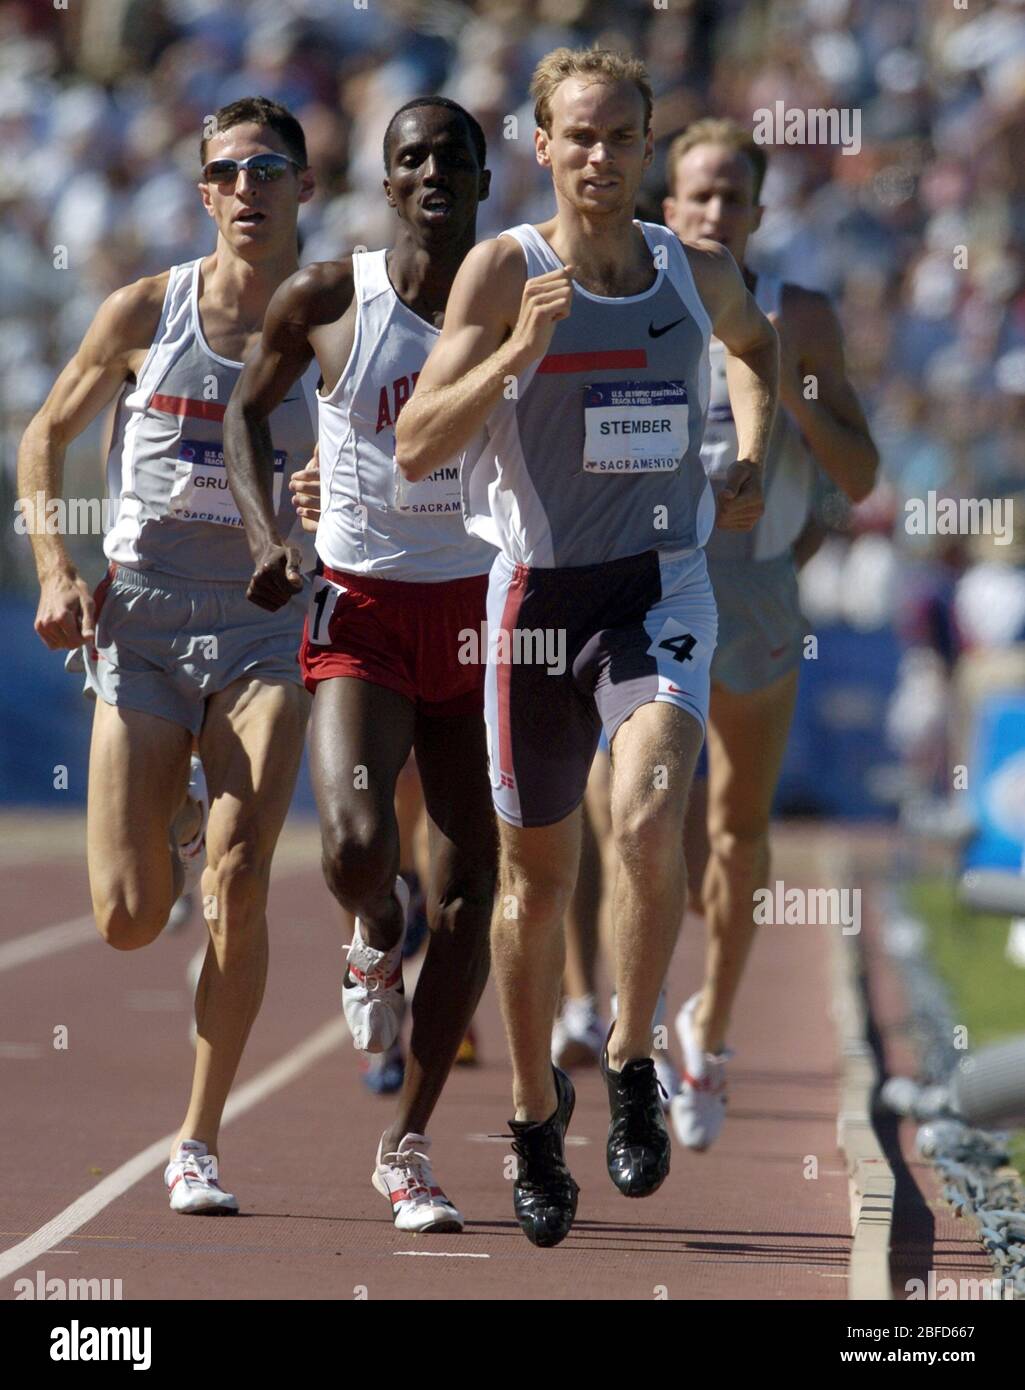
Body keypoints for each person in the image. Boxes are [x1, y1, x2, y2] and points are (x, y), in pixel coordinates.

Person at [396, 46, 779, 1247]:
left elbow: (755, 349)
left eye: (622, 137)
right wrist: (515, 357)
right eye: (580, 138)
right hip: (534, 603)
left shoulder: (689, 265)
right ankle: (527, 1113)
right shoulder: (503, 272)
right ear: (542, 148)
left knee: (651, 804)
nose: (601, 157)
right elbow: (415, 443)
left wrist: (750, 453)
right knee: (536, 879)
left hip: (655, 586)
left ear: (648, 145)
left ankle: (628, 1059)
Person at [18, 97, 319, 1214]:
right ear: (204, 194)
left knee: (241, 882)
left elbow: (412, 448)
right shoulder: (146, 311)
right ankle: (179, 817)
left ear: (300, 190)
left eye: (271, 169)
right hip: (140, 624)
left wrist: (337, 502)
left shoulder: (334, 325)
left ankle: (198, 1138)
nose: (250, 188)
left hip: (266, 624)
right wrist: (56, 569)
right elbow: (44, 433)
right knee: (131, 918)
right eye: (229, 172)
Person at [224, 97, 497, 1234]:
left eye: (452, 157)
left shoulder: (526, 300)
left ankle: (407, 1148)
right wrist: (271, 536)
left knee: (472, 891)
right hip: (363, 606)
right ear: (385, 184)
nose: (431, 172)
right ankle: (371, 940)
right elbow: (246, 411)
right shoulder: (332, 296)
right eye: (411, 158)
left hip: (487, 612)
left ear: (484, 178)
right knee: (352, 844)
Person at [661, 118, 878, 1149]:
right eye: (695, 196)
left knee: (735, 834)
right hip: (644, 589)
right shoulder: (634, 295)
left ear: (755, 212)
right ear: (668, 208)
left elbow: (859, 477)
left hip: (750, 598)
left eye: (729, 199)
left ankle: (706, 1028)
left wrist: (795, 389)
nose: (711, 214)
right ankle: (612, 1023)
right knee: (639, 821)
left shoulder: (799, 315)